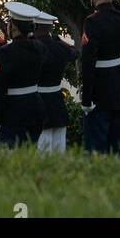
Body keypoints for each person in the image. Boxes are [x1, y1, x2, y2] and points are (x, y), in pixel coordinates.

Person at [80, 0, 120, 154]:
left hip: (100, 90)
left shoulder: (92, 22)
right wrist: (112, 2)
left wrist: (86, 99)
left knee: (96, 147)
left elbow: (88, 63)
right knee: (118, 145)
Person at [0, 2, 46, 149]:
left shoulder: (6, 52)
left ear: (13, 26)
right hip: (35, 105)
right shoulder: (39, 47)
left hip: (14, 111)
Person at [33, 9, 78, 153]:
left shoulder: (33, 47)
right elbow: (74, 53)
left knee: (42, 147)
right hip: (56, 101)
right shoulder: (59, 47)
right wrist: (60, 41)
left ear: (35, 27)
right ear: (50, 28)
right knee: (59, 147)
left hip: (38, 100)